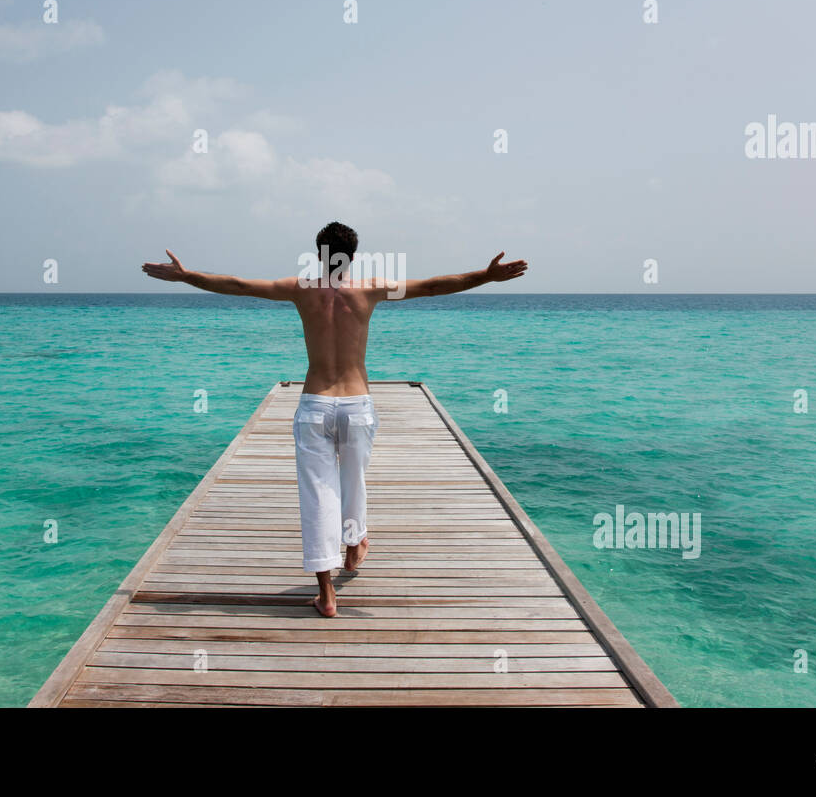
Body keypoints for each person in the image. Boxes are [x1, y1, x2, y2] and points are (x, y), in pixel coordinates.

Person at [142, 222, 528, 616]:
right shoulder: (369, 289)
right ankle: (354, 541)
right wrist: (486, 276)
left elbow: (238, 285)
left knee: (318, 496)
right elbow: (432, 287)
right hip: (356, 404)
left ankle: (326, 593)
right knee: (353, 483)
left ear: (318, 254)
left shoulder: (299, 288)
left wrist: (187, 276)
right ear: (353, 256)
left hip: (314, 405)